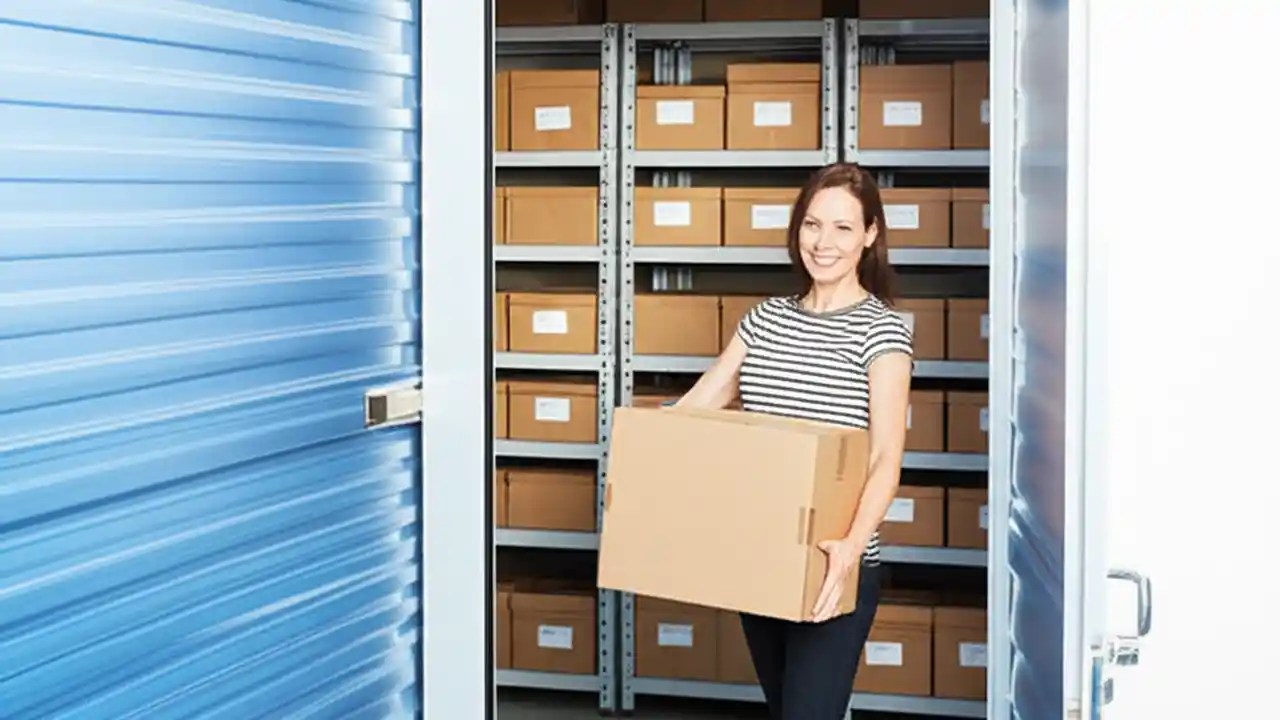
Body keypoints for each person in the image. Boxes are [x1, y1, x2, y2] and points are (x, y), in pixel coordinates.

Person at [671, 163, 913, 719]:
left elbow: (885, 459)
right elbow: (692, 414)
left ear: (871, 234)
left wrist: (850, 547)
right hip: (761, 551)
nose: (823, 243)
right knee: (789, 710)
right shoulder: (766, 321)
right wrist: (644, 456)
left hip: (836, 562)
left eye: (843, 228)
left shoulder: (882, 332)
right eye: (812, 225)